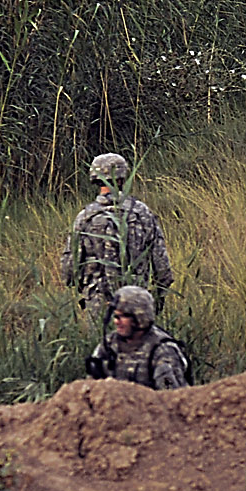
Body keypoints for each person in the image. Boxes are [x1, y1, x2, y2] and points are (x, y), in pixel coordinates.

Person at [61, 153, 174, 336]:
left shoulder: (85, 217)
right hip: (136, 300)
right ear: (122, 178)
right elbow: (163, 269)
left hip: (98, 302)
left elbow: (69, 269)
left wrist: (83, 286)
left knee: (102, 347)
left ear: (95, 179)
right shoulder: (141, 213)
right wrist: (157, 298)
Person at [85, 285, 189, 389]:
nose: (116, 321)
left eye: (124, 316)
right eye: (116, 316)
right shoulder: (110, 343)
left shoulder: (162, 350)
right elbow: (91, 387)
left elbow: (172, 396)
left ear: (140, 317)